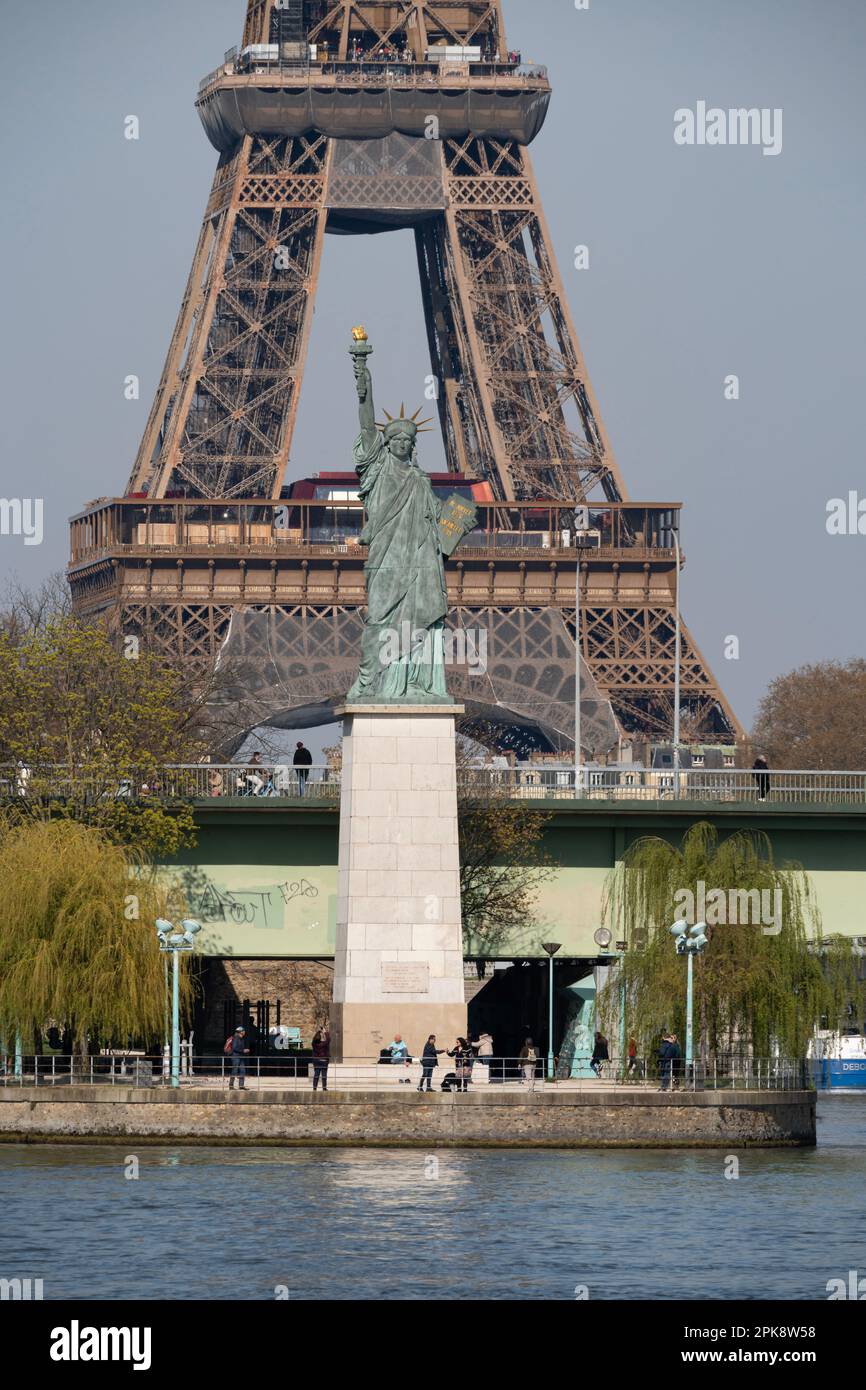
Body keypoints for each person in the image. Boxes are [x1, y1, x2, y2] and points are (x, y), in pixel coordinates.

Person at [311, 1025, 330, 1091]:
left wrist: (318, 1032)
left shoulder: (314, 1044)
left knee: (316, 1074)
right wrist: (325, 1032)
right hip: (324, 1060)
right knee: (324, 1075)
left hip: (316, 1061)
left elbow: (314, 1039)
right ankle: (324, 1088)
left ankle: (314, 1088)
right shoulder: (324, 1044)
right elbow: (328, 1039)